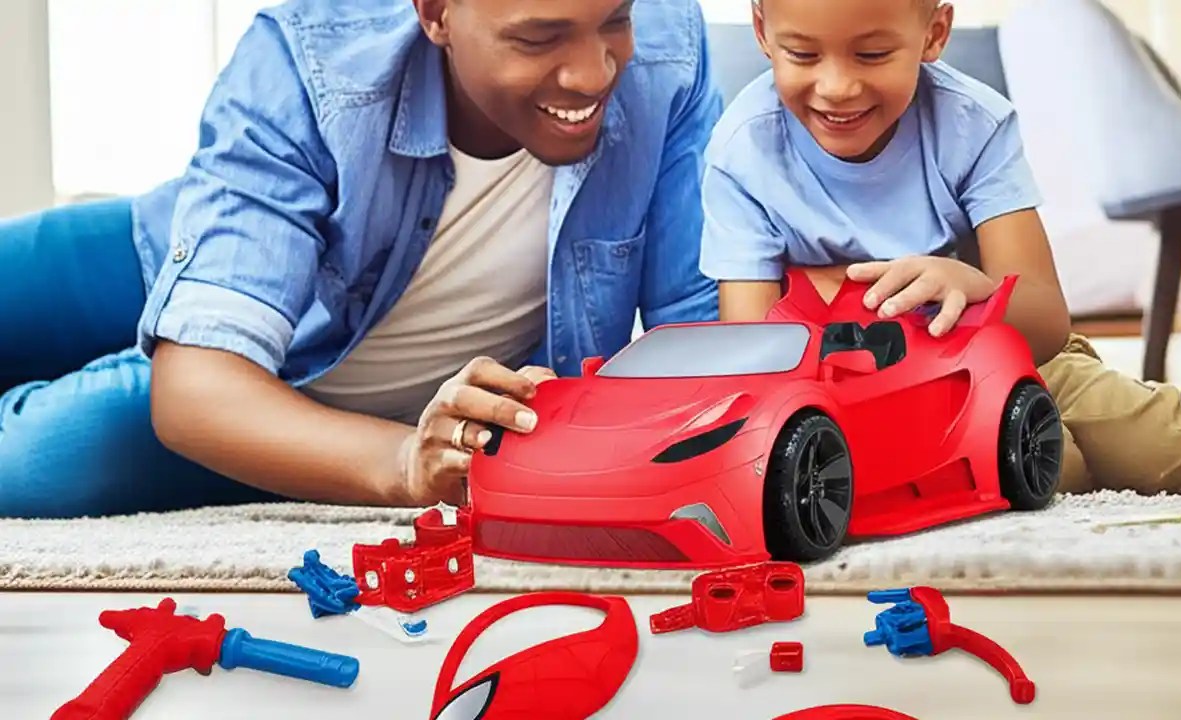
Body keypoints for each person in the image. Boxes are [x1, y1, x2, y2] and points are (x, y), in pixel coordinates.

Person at [0, 0, 722, 519]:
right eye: (538, 38)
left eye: (615, 21)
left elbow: (701, 350)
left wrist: (408, 462)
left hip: (303, 398)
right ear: (436, 13)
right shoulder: (314, 55)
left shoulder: (669, 51)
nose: (594, 73)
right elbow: (200, 382)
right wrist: (402, 465)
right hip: (173, 253)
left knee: (40, 463)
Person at [698, 0, 1181, 495]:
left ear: (934, 34)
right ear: (762, 33)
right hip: (858, 405)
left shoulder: (973, 124)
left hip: (1012, 362)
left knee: (1160, 446)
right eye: (802, 54)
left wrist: (974, 289)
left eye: (872, 54)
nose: (837, 86)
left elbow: (1046, 322)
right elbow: (754, 361)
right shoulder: (743, 153)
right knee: (1054, 470)